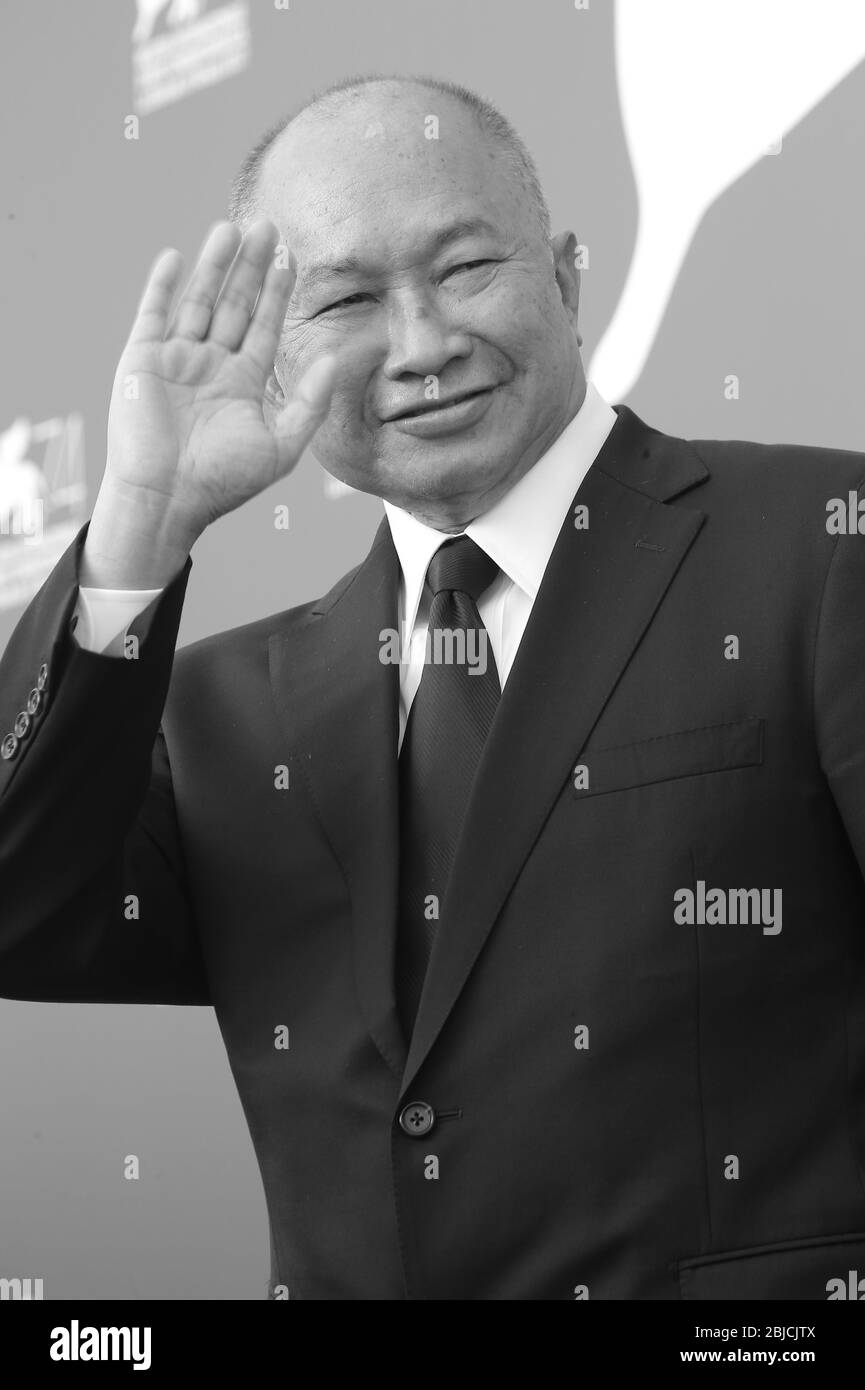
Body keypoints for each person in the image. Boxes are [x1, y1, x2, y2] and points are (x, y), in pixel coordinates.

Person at [2, 73, 865, 1302]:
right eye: (346, 299)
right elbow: (19, 913)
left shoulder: (825, 550)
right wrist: (144, 520)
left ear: (566, 276)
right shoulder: (217, 712)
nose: (421, 345)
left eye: (464, 270)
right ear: (274, 353)